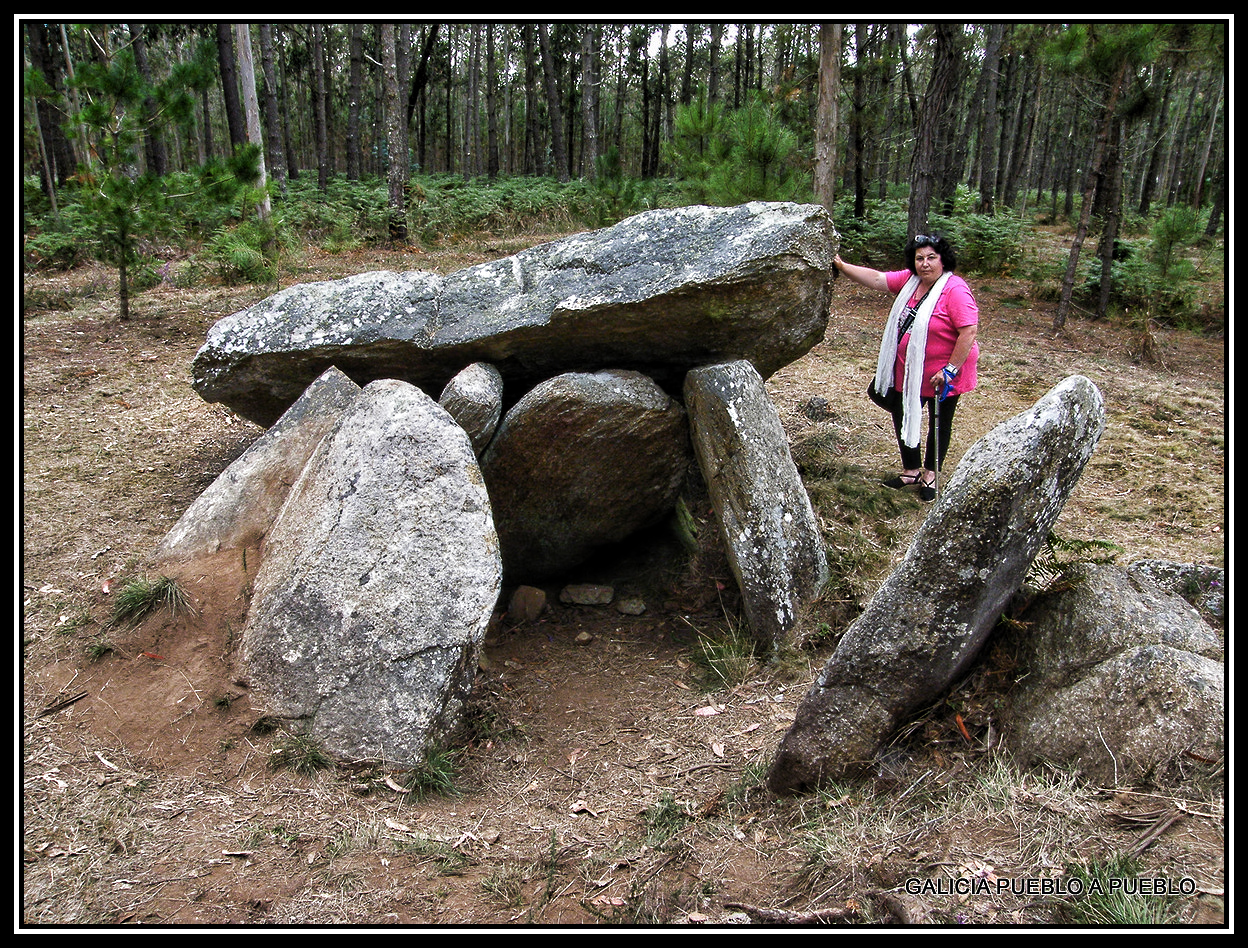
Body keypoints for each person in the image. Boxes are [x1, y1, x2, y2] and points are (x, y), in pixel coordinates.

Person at [833, 233, 979, 502]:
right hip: (909, 370)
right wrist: (842, 267)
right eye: (919, 258)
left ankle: (930, 475)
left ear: (943, 260)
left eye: (931, 257)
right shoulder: (911, 282)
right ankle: (911, 470)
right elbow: (877, 279)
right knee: (902, 413)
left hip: (942, 374)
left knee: (939, 422)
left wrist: (950, 370)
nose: (925, 263)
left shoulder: (955, 290)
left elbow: (968, 331)